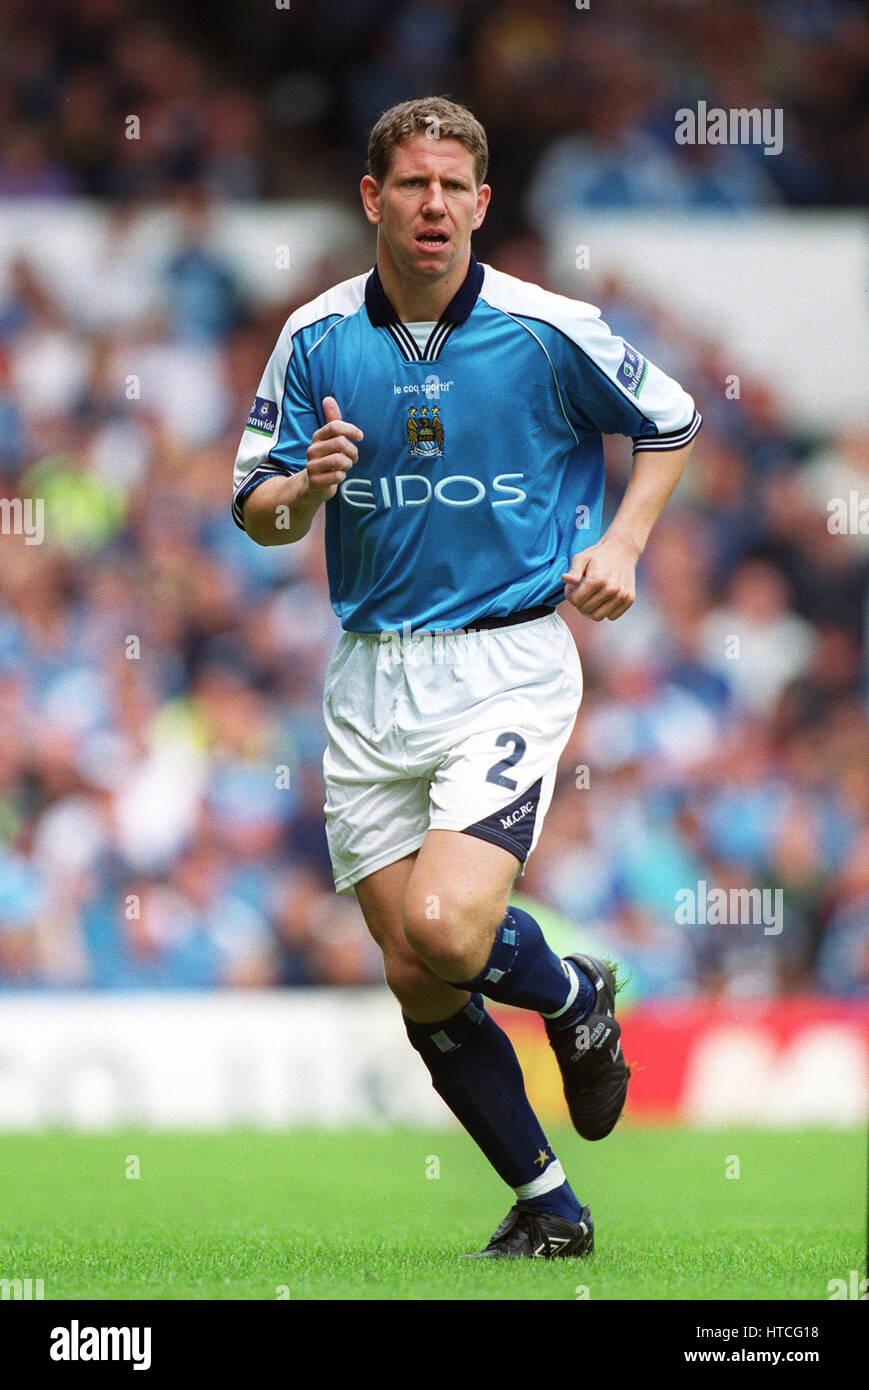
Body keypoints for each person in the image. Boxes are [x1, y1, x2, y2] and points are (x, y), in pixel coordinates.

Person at [232, 96, 700, 1259]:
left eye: (453, 188)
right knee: (415, 972)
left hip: (502, 660)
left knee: (445, 927)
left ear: (482, 204)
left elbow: (671, 417)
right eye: (411, 186)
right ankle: (550, 1206)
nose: (432, 206)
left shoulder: (546, 329)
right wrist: (305, 487)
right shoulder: (315, 338)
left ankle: (573, 996)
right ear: (371, 199)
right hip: (368, 674)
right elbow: (255, 511)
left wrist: (624, 545)